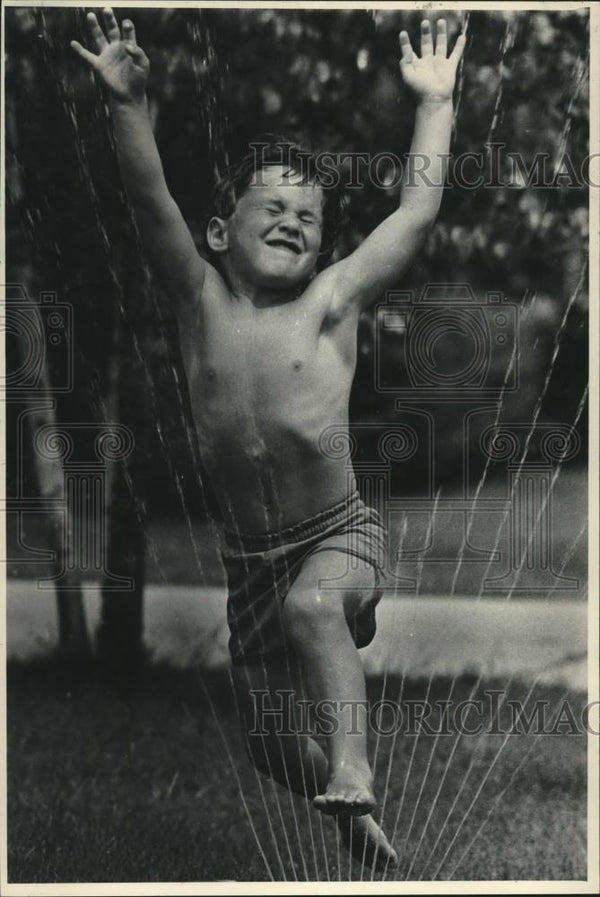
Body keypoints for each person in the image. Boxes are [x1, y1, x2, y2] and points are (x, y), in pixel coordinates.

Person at [72, 7, 465, 872]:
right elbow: (148, 198)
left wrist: (434, 104)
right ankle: (339, 799)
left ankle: (356, 766)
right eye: (272, 209)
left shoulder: (332, 301)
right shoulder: (197, 300)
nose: (294, 222)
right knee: (260, 729)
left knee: (315, 607)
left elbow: (415, 214)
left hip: (336, 536)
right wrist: (127, 108)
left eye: (309, 216)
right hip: (252, 557)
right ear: (220, 234)